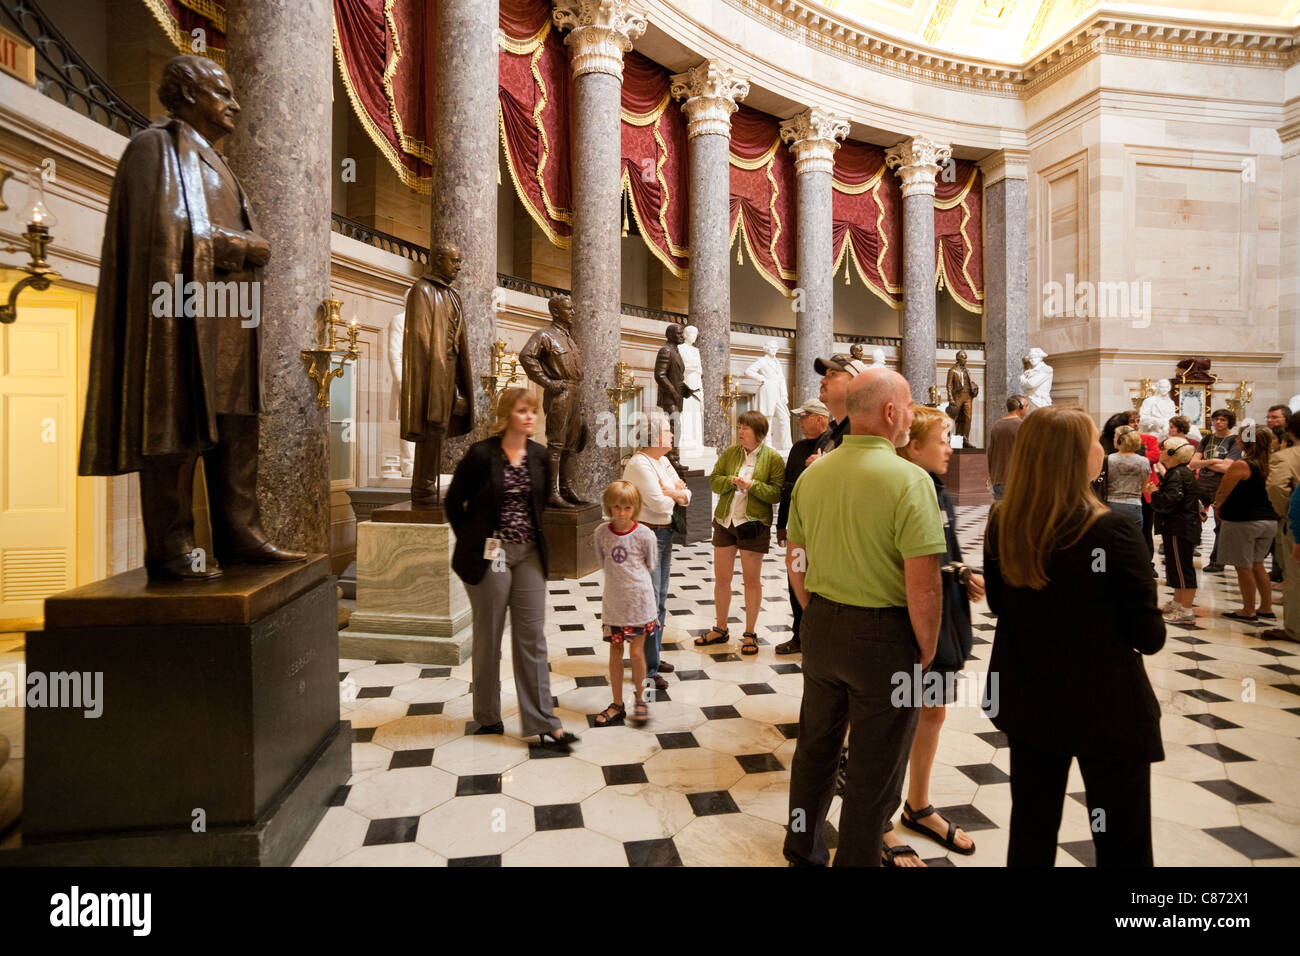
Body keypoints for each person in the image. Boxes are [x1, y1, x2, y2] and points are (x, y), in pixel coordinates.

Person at [79, 54, 306, 580]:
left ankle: (241, 534)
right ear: (186, 95)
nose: (235, 103)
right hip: (180, 318)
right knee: (176, 427)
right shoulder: (153, 149)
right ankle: (172, 543)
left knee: (237, 429)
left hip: (226, 321)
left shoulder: (214, 161)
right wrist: (239, 245)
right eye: (221, 93)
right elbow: (161, 234)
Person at [983, 406, 1165, 867]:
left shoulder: (1003, 521)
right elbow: (1149, 636)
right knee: (1121, 836)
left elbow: (1001, 606)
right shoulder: (1113, 528)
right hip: (1106, 704)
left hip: (1030, 698)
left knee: (1032, 826)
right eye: (1093, 441)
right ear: (1073, 457)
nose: (1101, 448)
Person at [783, 369, 946, 867]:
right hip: (886, 636)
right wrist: (926, 646)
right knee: (875, 766)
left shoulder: (815, 472)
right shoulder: (911, 479)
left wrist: (814, 611)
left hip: (823, 627)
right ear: (892, 413)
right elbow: (924, 582)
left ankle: (802, 851)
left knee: (815, 751)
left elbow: (795, 556)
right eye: (909, 402)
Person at [444, 388, 578, 750]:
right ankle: (487, 716)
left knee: (532, 636)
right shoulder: (481, 454)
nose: (531, 417)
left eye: (533, 411)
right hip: (494, 553)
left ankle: (544, 721)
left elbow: (540, 505)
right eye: (523, 411)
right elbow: (454, 502)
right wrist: (473, 540)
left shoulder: (539, 456)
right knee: (489, 637)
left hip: (530, 552)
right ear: (508, 415)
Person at [886, 404, 982, 865]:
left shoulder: (936, 488)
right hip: (911, 626)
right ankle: (879, 820)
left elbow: (943, 549)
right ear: (913, 446)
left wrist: (963, 573)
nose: (950, 447)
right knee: (894, 721)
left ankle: (918, 805)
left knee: (933, 714)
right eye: (941, 440)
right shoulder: (903, 487)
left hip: (945, 622)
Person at [695, 411, 785, 656]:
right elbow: (714, 480)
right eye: (740, 427)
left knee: (751, 580)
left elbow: (776, 493)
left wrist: (752, 486)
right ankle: (720, 628)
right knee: (722, 579)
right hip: (726, 521)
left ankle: (749, 633)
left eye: (745, 428)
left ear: (759, 433)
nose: (741, 432)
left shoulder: (773, 458)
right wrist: (732, 482)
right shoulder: (731, 453)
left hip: (753, 524)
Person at [622, 412, 691, 688]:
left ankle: (654, 655)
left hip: (664, 534)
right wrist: (673, 493)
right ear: (653, 436)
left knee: (660, 598)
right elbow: (661, 505)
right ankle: (648, 669)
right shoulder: (640, 464)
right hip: (646, 535)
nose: (672, 435)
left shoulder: (662, 461)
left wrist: (672, 491)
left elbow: (686, 497)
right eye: (667, 430)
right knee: (649, 601)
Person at [591, 481, 660, 728]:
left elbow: (650, 564)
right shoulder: (601, 533)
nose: (621, 513)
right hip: (614, 604)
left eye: (627, 508)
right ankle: (617, 703)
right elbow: (603, 563)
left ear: (636, 508)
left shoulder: (645, 534)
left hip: (639, 602)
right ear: (609, 506)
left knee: (637, 653)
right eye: (617, 507)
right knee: (615, 653)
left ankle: (641, 699)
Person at [518, 294, 588, 508]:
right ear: (556, 312)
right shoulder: (545, 335)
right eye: (569, 309)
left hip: (575, 392)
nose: (573, 312)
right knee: (556, 443)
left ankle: (566, 488)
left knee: (571, 442)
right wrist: (548, 382)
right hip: (560, 391)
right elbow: (526, 357)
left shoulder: (568, 338)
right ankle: (552, 491)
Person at [775, 398, 831, 655]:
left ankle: (819, 637)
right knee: (795, 578)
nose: (799, 420)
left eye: (804, 415)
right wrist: (781, 524)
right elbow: (788, 489)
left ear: (820, 418)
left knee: (818, 583)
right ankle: (799, 634)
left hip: (821, 531)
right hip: (797, 532)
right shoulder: (798, 448)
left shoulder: (832, 444)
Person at [1213, 426, 1277, 621]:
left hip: (1243, 520)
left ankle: (1248, 609)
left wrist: (1217, 506)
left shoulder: (1242, 465)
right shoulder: (1272, 463)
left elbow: (1224, 491)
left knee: (1243, 566)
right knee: (1258, 564)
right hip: (1268, 520)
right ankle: (1266, 607)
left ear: (1245, 442)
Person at [1148, 436, 1202, 624]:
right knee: (1175, 566)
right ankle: (1178, 601)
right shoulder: (1177, 472)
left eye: (1163, 449)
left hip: (1180, 527)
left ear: (1173, 454)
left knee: (1182, 568)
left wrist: (1154, 492)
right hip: (1178, 527)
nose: (1160, 452)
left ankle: (1186, 610)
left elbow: (1169, 502)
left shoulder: (1177, 474)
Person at [1190, 409, 1242, 572]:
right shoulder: (1207, 439)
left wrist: (1204, 462)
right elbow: (1193, 463)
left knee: (1221, 523)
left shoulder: (1235, 440)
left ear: (1229, 422)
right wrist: (1213, 461)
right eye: (1216, 419)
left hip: (1222, 485)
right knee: (1190, 513)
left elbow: (1228, 467)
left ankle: (1217, 560)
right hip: (1202, 484)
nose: (1218, 422)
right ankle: (1191, 546)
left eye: (1222, 420)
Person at [1264, 412, 1300, 642]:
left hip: (1296, 522)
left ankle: (1295, 628)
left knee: (1295, 577)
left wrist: (1284, 512)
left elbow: (1276, 487)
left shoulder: (1286, 456)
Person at [810, 354, 870, 457]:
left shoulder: (864, 434)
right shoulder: (832, 435)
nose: (822, 381)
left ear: (857, 382)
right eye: (825, 375)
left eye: (833, 374)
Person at [1104, 426, 1150, 532]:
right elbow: (1143, 488)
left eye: (1115, 436)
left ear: (1121, 440)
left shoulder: (1108, 460)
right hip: (1134, 506)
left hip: (1111, 505)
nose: (1113, 439)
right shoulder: (1144, 461)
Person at [986, 394, 1026, 501]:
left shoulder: (996, 425)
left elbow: (990, 454)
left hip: (998, 479)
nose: (1027, 409)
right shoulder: (1022, 426)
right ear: (1020, 407)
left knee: (1001, 513)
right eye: (1026, 406)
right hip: (1016, 479)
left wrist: (991, 475)